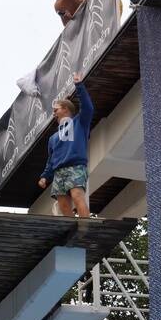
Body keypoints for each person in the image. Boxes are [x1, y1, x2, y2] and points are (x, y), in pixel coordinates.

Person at [39, 72, 94, 218]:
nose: (54, 113)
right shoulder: (53, 138)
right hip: (58, 172)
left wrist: (79, 85)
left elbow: (88, 108)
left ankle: (85, 229)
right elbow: (51, 160)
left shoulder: (79, 123)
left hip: (76, 166)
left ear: (66, 109)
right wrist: (45, 176)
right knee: (63, 205)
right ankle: (72, 234)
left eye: (56, 110)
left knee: (77, 195)